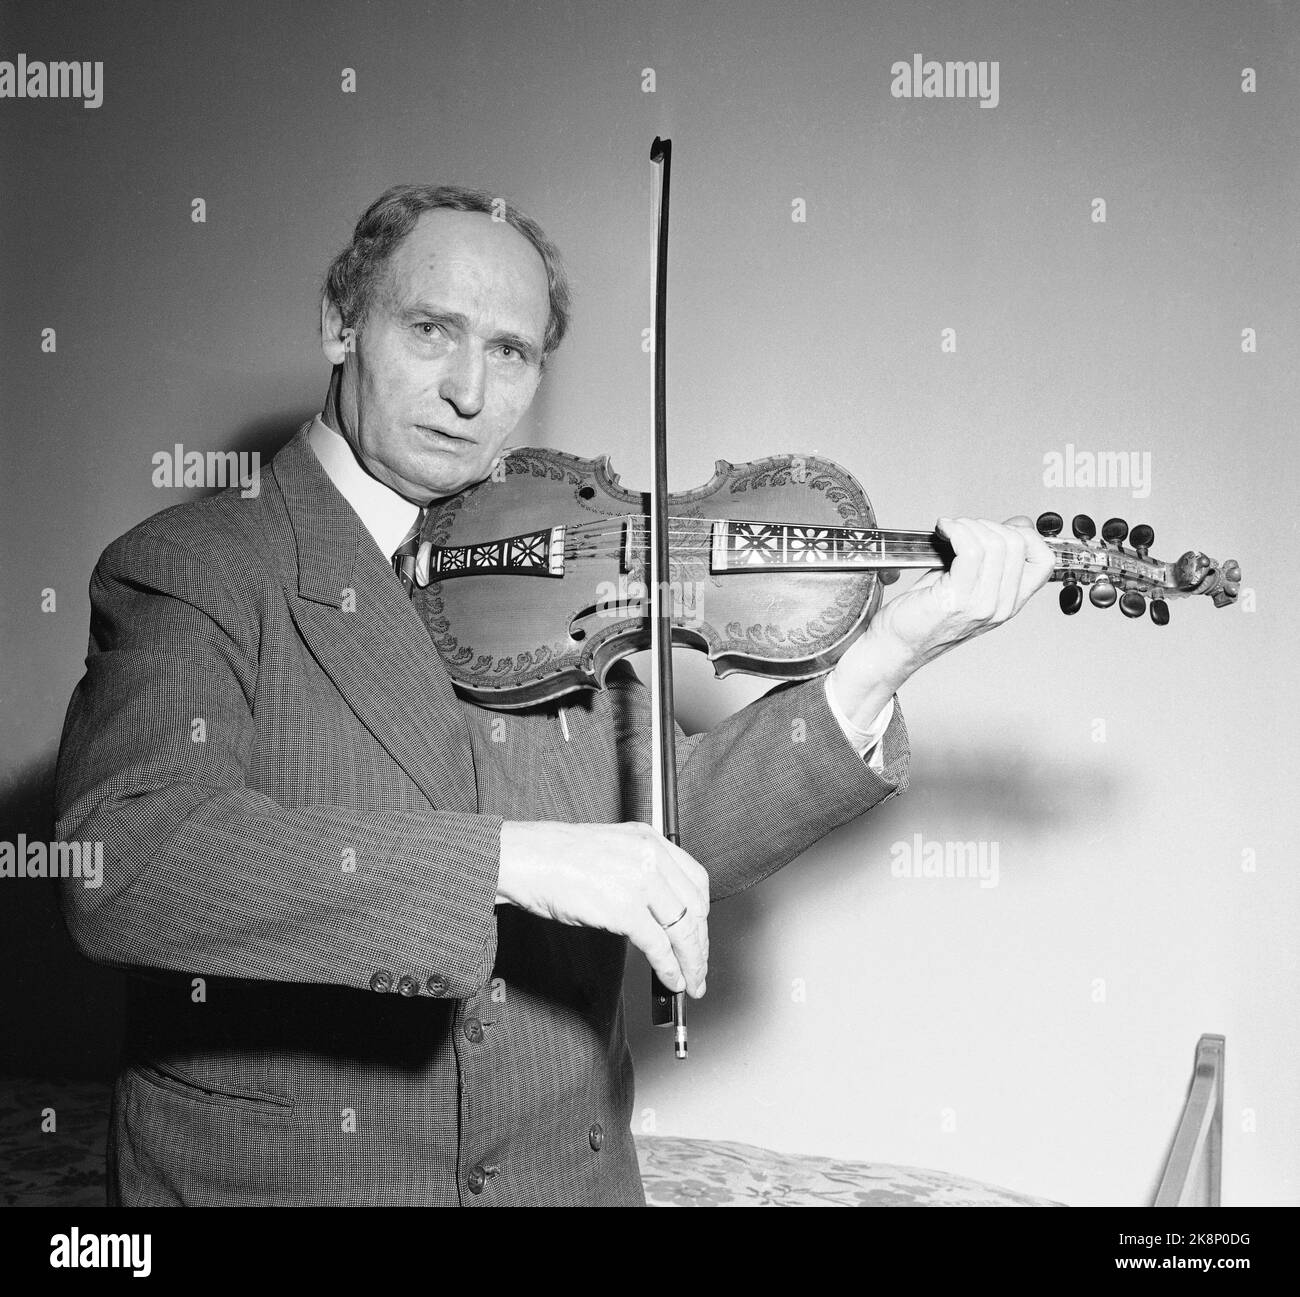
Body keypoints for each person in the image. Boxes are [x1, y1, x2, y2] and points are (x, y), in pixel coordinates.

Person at [54, 184, 1054, 1207]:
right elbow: (129, 859)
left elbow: (678, 828)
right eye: (431, 329)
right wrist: (515, 859)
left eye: (511, 352)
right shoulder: (196, 564)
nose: (468, 392)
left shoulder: (544, 575)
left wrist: (887, 652)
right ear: (340, 323)